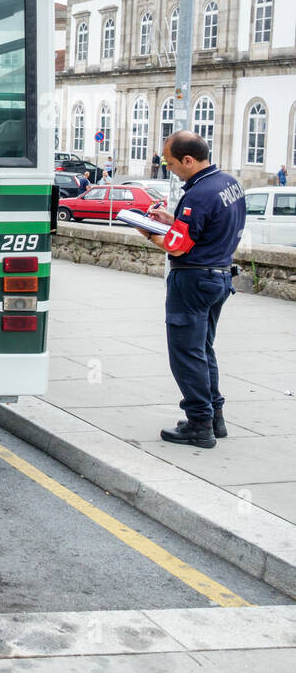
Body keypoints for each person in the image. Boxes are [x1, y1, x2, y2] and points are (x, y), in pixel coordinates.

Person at [139, 130, 246, 449]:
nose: (168, 167)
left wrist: (146, 230)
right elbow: (209, 227)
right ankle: (215, 417)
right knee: (203, 349)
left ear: (188, 160)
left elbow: (177, 248)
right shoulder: (229, 184)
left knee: (186, 354)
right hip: (220, 275)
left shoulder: (198, 194)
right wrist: (173, 218)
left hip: (193, 280)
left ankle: (199, 424)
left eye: (170, 163)